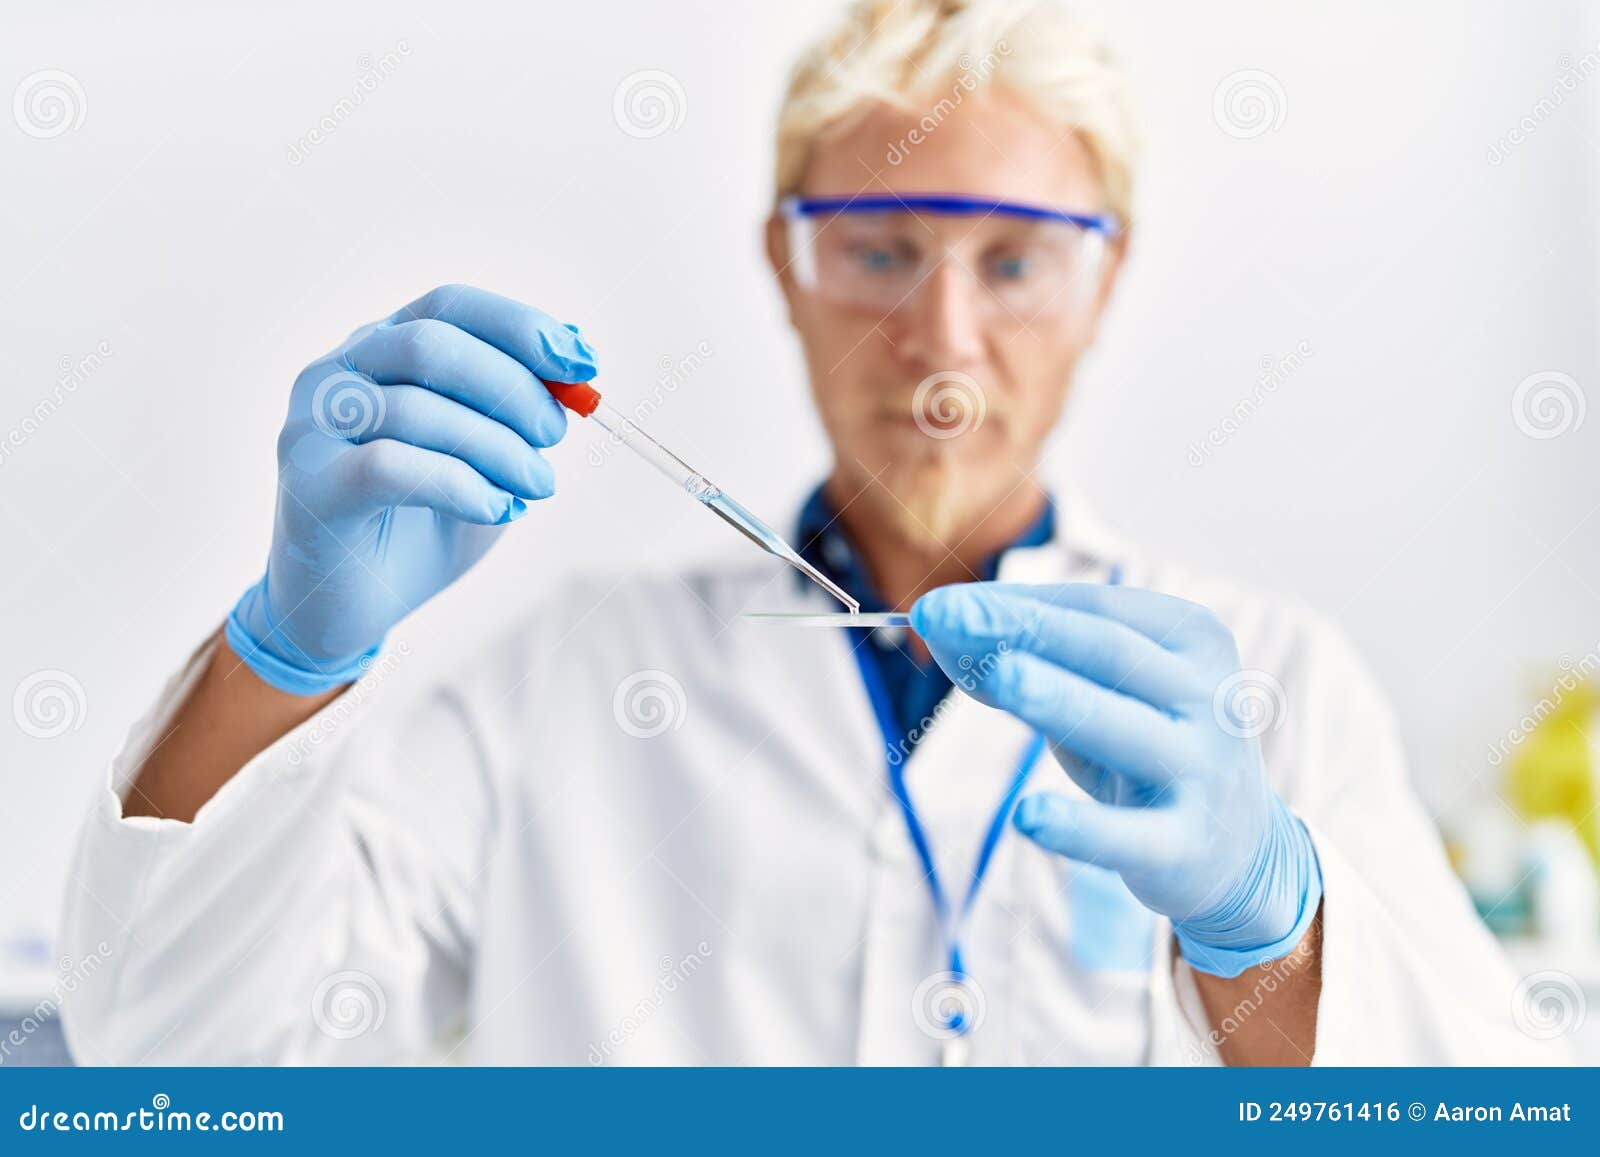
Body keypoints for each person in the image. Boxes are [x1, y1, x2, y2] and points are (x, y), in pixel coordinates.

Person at [59, 0, 1547, 1065]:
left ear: (1107, 283)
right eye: (881, 250)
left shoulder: (1274, 683)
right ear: (788, 262)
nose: (943, 340)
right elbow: (179, 1071)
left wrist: (1262, 933)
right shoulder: (564, 685)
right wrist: (291, 646)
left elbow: (1455, 1113)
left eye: (1018, 260)